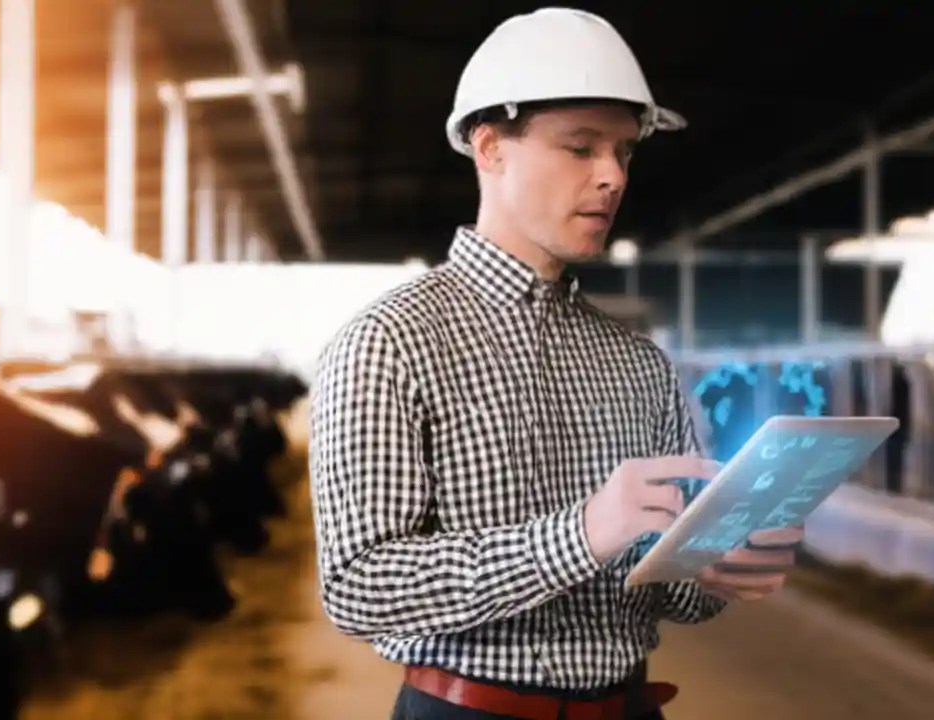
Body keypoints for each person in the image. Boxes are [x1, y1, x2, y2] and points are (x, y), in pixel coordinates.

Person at [308, 9, 804, 719]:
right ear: (490, 149)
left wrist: (720, 564)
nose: (612, 177)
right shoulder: (390, 342)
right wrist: (581, 535)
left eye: (625, 152)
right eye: (580, 148)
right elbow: (360, 587)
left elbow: (670, 597)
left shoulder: (638, 365)